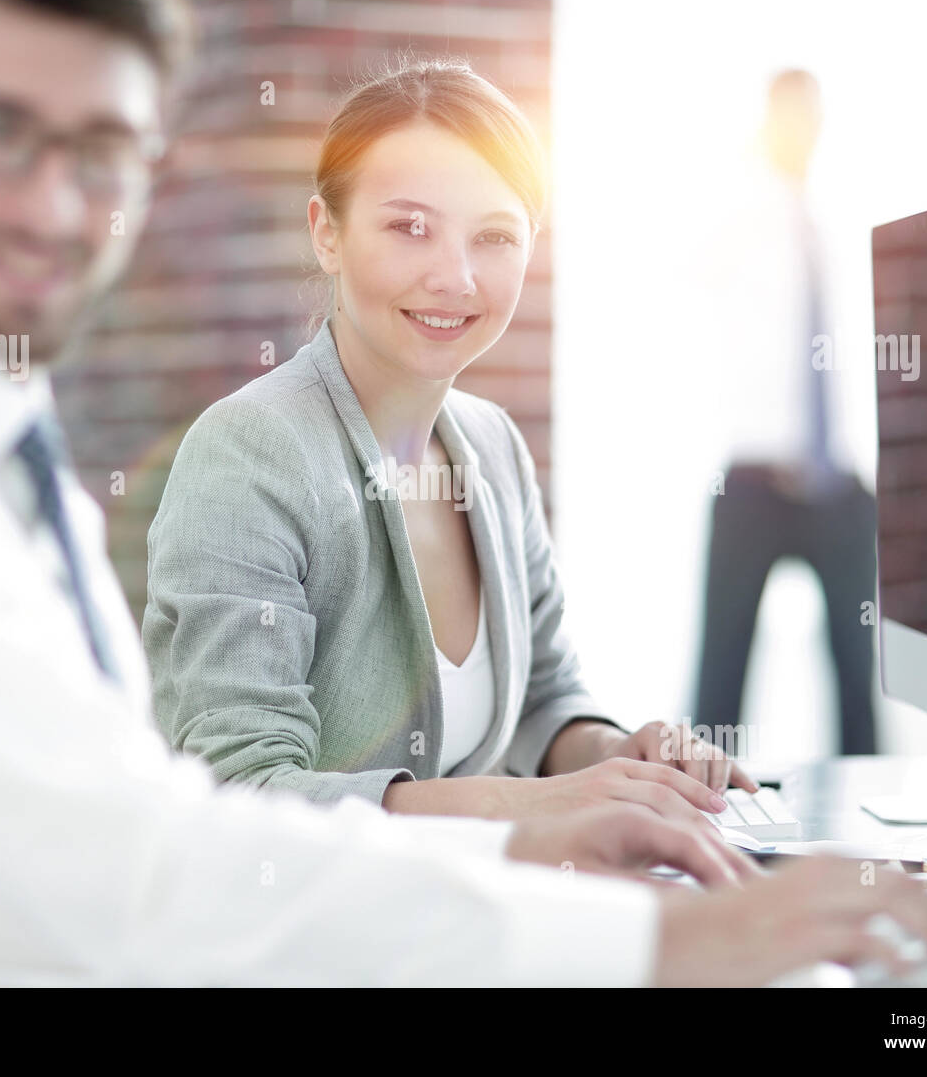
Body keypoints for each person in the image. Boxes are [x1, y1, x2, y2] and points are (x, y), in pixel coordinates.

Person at [0, 0, 927, 987]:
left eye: (101, 149)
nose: (52, 201)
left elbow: (547, 687)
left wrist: (619, 765)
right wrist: (631, 917)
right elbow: (161, 865)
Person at [144, 60, 758, 824]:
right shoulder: (250, 454)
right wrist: (531, 807)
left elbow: (544, 696)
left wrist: (620, 759)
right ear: (326, 233)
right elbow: (242, 792)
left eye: (495, 236)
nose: (456, 278)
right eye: (410, 227)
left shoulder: (490, 445)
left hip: (462, 922)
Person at [692, 69, 878, 756]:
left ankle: (872, 829)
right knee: (719, 682)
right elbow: (693, 270)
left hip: (840, 486)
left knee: (861, 682)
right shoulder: (739, 210)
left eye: (813, 117)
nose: (804, 132)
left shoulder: (840, 216)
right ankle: (706, 820)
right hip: (753, 480)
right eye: (789, 119)